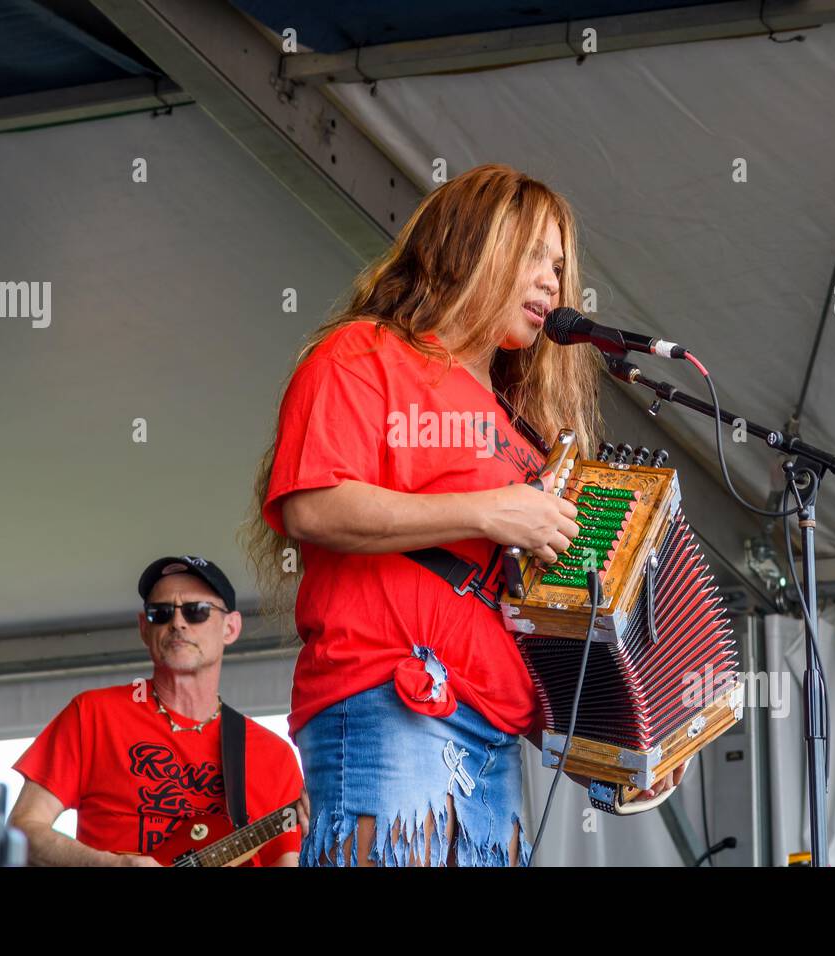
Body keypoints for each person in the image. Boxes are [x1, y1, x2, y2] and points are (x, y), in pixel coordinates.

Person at [245, 163, 684, 868]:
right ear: (470, 244)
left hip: (496, 738)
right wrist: (492, 511)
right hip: (395, 702)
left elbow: (525, 616)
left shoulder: (522, 430)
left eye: (560, 267)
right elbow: (313, 505)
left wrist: (610, 737)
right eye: (534, 255)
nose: (552, 282)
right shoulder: (364, 353)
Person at [9, 555, 303, 866]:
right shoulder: (93, 715)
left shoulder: (273, 756)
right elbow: (23, 830)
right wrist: (116, 865)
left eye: (197, 612)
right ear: (144, 629)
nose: (178, 623)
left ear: (230, 628)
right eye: (160, 613)